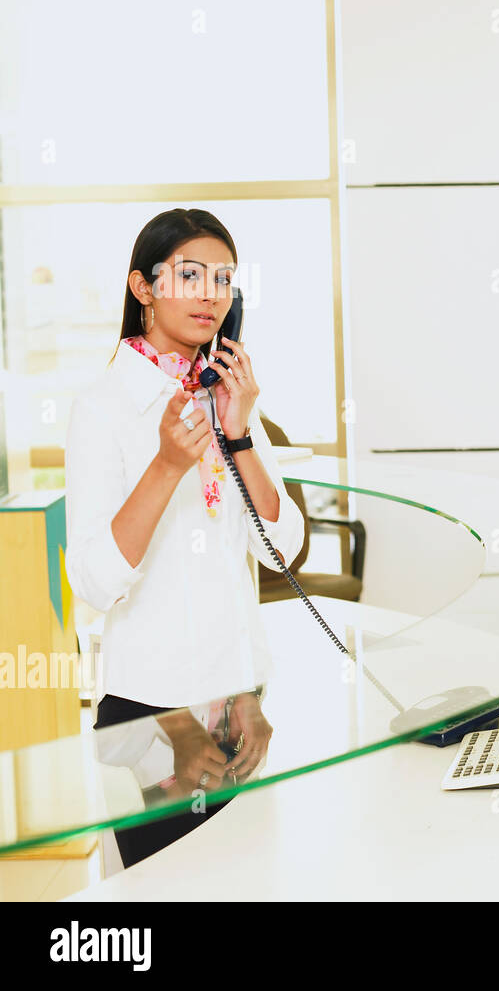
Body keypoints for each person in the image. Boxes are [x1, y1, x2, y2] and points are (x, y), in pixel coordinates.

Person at [65, 208, 303, 866]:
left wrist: (240, 432)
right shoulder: (102, 408)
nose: (210, 294)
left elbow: (280, 551)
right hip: (146, 714)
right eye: (190, 275)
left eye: (224, 278)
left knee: (250, 880)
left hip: (240, 701)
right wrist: (167, 465)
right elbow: (94, 583)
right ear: (143, 287)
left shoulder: (225, 398)